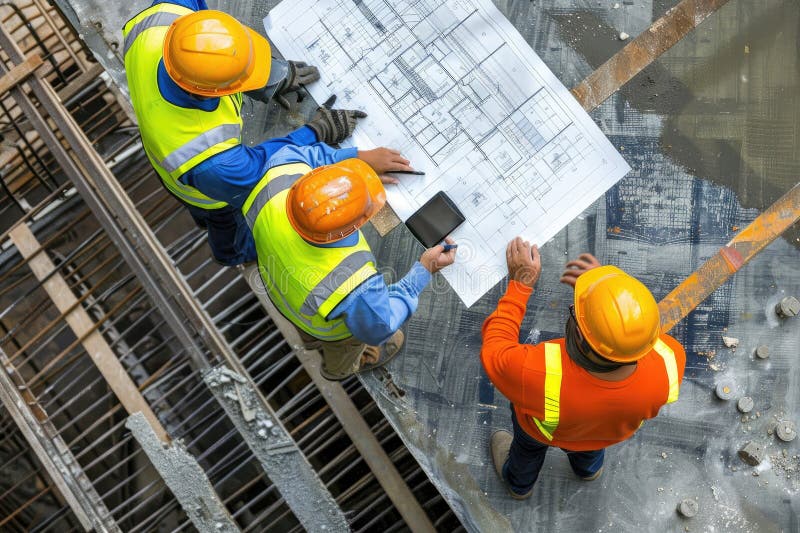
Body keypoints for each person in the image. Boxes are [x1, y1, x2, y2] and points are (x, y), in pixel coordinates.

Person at [122, 1, 365, 265]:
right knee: (227, 229)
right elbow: (266, 167)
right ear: (207, 91)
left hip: (162, 152)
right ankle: (234, 255)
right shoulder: (214, 162)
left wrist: (269, 74)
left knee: (193, 198)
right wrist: (317, 132)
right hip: (210, 197)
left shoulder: (158, 23)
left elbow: (211, 46)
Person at [481, 238, 686, 499]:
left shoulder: (535, 371)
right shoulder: (670, 359)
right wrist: (604, 295)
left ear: (579, 335)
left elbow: (495, 347)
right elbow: (628, 331)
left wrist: (519, 286)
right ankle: (588, 470)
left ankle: (519, 486)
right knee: (589, 450)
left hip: (540, 432)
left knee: (527, 453)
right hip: (603, 435)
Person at [243, 143, 458, 380]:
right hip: (329, 328)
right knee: (344, 350)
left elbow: (303, 154)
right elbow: (381, 326)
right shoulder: (351, 280)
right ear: (345, 231)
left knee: (306, 322)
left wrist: (357, 159)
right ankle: (340, 370)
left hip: (278, 286)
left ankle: (309, 338)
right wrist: (424, 270)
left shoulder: (278, 175)